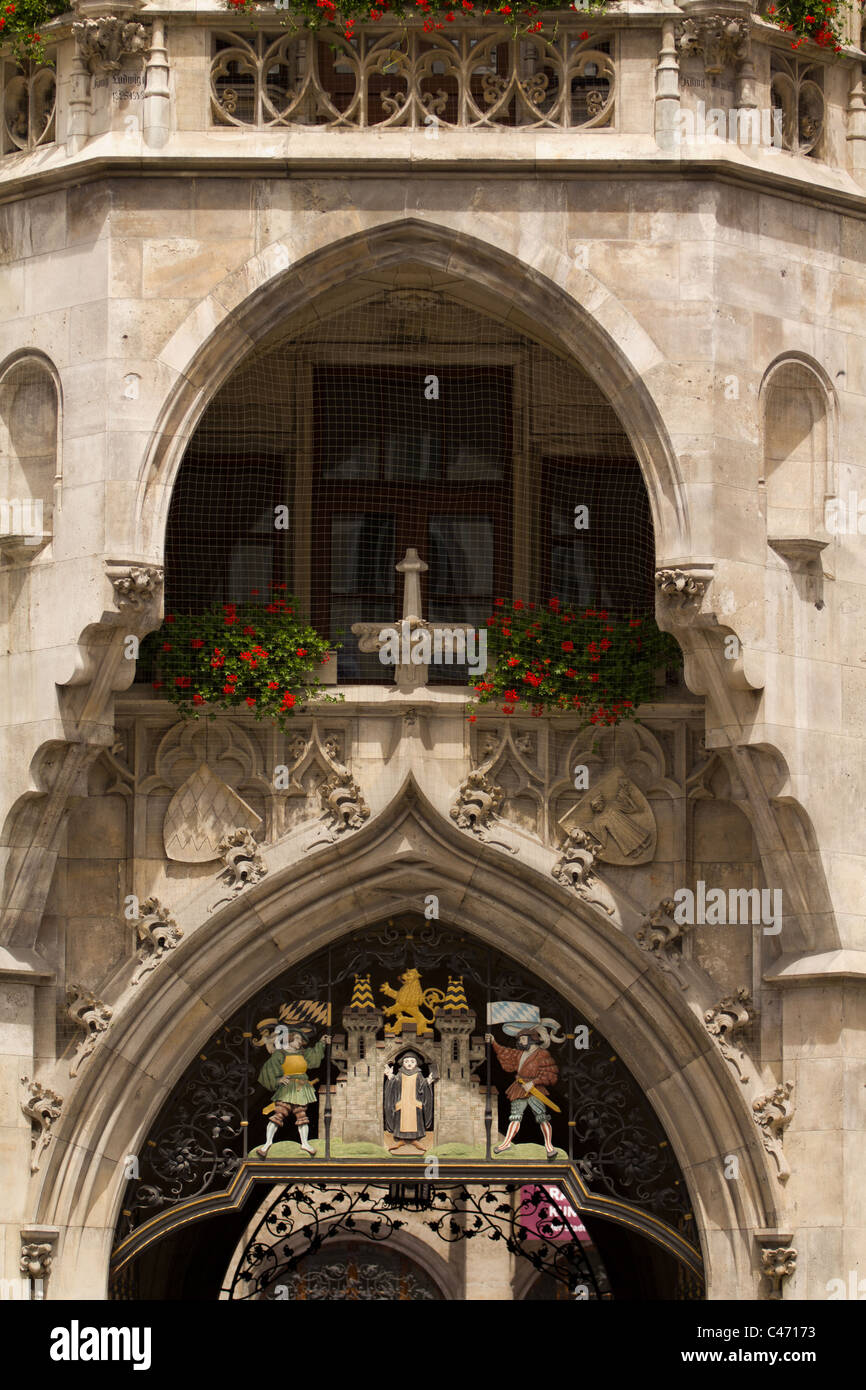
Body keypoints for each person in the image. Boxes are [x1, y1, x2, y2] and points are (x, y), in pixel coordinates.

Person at [485, 1024, 560, 1158]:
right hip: (519, 1087)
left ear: (531, 1039)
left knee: (542, 1117)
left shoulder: (542, 1054)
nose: (520, 1042)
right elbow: (506, 1053)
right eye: (519, 1039)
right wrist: (494, 1042)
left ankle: (549, 1146)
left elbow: (550, 1073)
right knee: (515, 1117)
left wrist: (533, 1082)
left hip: (535, 1089)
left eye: (522, 1039)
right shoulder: (521, 1054)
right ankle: (506, 1143)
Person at [255, 1025, 331, 1157]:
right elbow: (269, 1069)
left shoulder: (302, 1053)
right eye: (298, 1039)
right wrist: (278, 1079)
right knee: (279, 1114)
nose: (300, 1042)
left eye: (301, 1040)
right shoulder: (280, 1054)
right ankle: (267, 1144)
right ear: (289, 1039)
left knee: (301, 1115)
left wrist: (322, 1043)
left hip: (301, 1087)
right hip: (287, 1088)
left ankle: (305, 1144)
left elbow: (314, 1059)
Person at [383, 1051, 436, 1153]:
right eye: (406, 1061)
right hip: (402, 1103)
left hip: (414, 1103)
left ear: (416, 1063)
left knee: (415, 1120)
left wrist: (428, 1081)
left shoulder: (419, 1074)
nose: (409, 1063)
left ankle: (415, 1140)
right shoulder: (400, 1074)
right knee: (402, 1120)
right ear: (403, 1063)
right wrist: (390, 1075)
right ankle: (401, 1140)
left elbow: (423, 1086)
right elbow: (394, 1083)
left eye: (412, 1061)